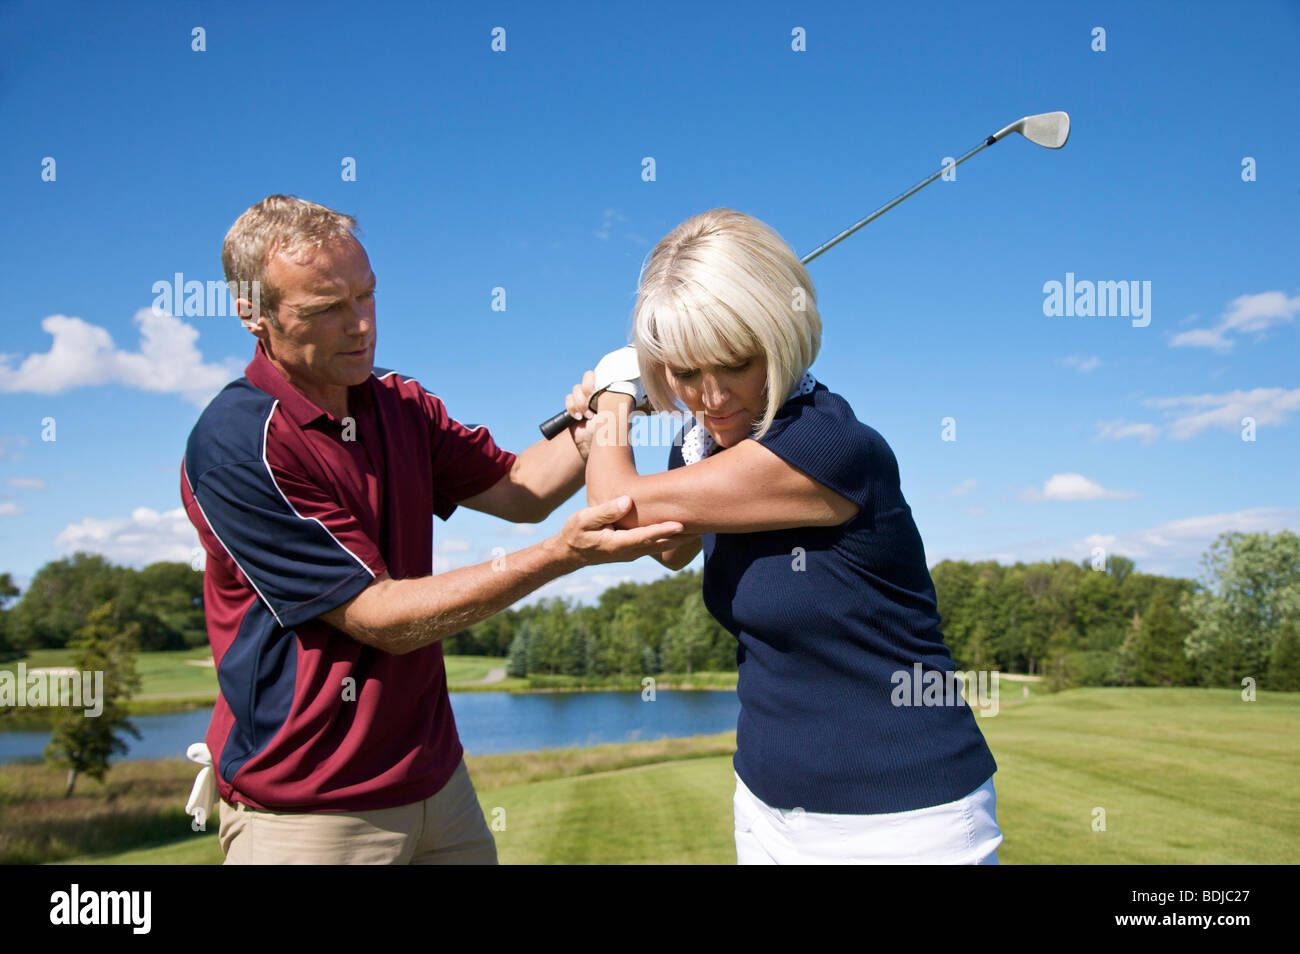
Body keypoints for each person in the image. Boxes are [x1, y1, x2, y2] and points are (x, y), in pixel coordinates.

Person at [179, 195, 682, 864]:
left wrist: (618, 399)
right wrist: (562, 557)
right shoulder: (239, 444)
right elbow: (378, 615)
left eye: (367, 295)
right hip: (309, 809)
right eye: (325, 309)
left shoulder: (399, 403)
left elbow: (521, 489)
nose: (360, 326)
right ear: (251, 313)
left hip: (438, 783)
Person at [580, 208, 1003, 864]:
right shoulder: (703, 446)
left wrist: (611, 399)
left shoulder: (828, 445)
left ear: (782, 337)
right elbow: (666, 547)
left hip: (908, 819)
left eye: (735, 363)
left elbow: (616, 506)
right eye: (686, 373)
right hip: (768, 807)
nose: (712, 398)